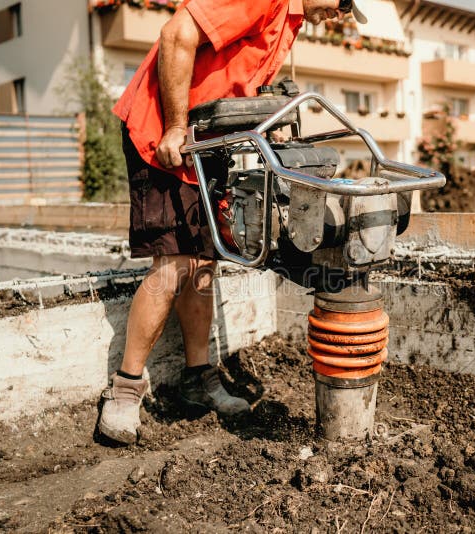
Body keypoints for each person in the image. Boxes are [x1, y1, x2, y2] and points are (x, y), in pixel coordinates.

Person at [98, 0, 369, 444]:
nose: (341, 15)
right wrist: (173, 126)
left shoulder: (289, 22)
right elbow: (176, 36)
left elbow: (233, 80)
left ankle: (197, 379)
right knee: (172, 264)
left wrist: (269, 120)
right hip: (164, 137)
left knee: (205, 265)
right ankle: (125, 391)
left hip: (205, 147)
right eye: (342, 4)